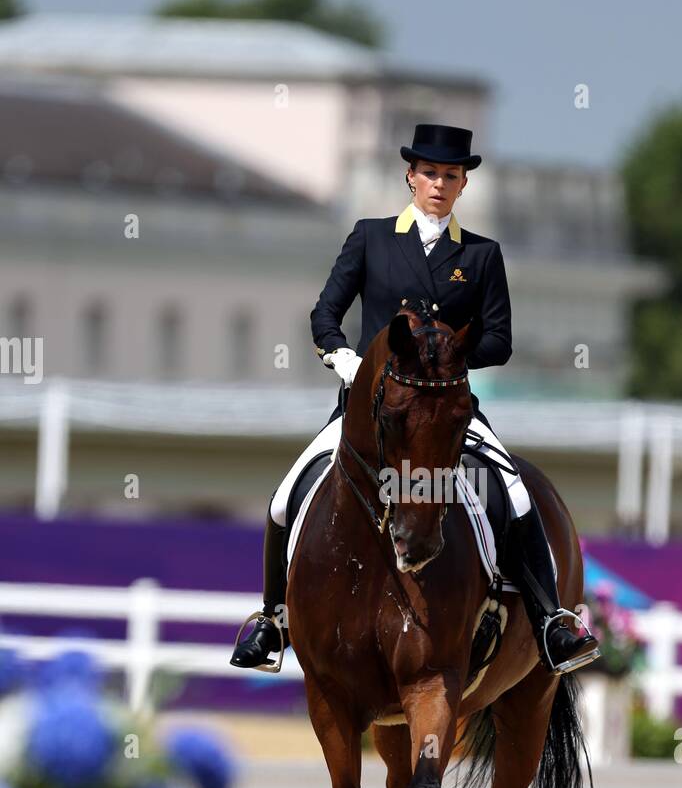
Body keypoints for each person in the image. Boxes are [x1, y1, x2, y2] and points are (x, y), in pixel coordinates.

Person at [230, 123, 600, 675]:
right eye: (430, 173)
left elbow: (499, 341)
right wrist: (345, 360)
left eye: (451, 175)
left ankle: (552, 621)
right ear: (410, 176)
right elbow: (324, 314)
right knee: (286, 497)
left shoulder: (480, 256)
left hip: (447, 412)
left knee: (517, 494)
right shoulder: (370, 238)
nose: (439, 184)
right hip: (370, 411)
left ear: (462, 185)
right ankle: (272, 619)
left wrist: (446, 363)